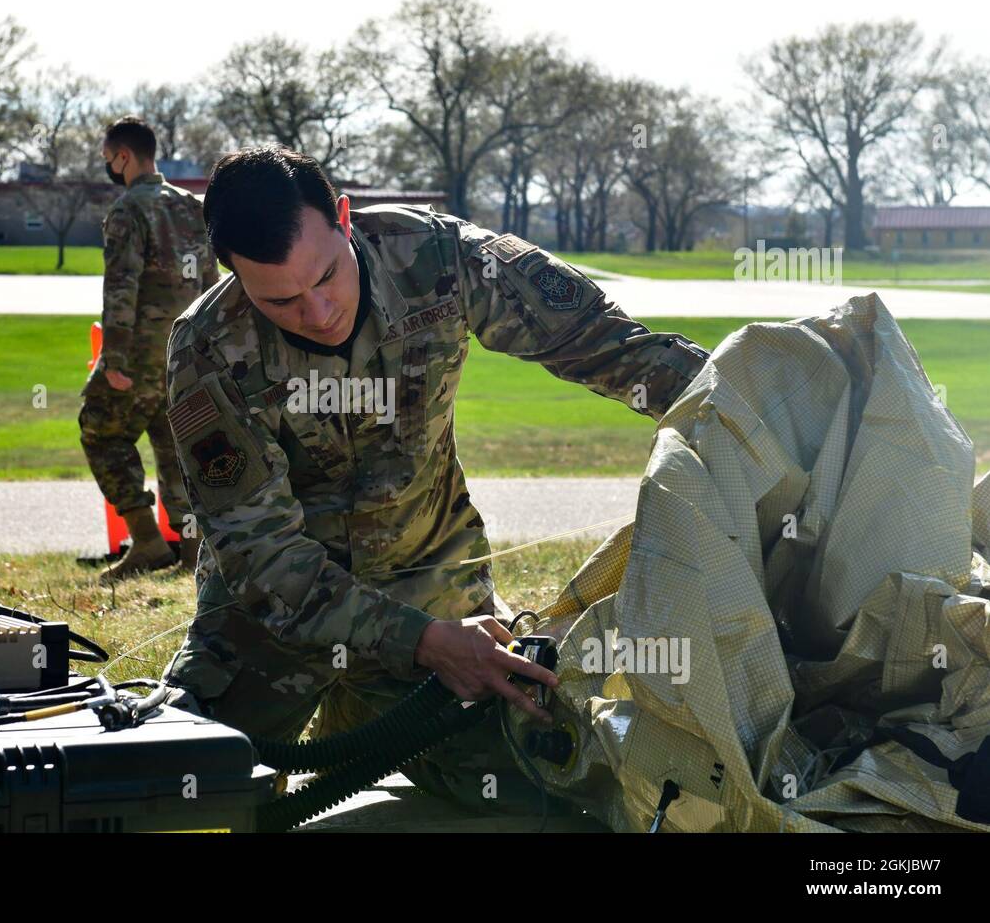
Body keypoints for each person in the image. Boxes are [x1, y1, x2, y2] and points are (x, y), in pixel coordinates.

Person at [160, 146, 709, 809]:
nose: (318, 311)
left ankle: (361, 730)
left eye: (327, 277)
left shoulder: (441, 258)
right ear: (234, 277)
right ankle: (342, 731)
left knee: (553, 794)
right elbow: (263, 558)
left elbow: (605, 342)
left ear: (343, 216)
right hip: (271, 632)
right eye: (281, 300)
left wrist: (753, 406)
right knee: (172, 794)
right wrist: (425, 644)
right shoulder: (206, 351)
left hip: (436, 598)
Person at [80, 116, 218, 584]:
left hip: (138, 354)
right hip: (182, 353)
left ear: (123, 156)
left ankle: (147, 541)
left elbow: (122, 289)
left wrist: (113, 361)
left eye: (108, 159)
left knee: (100, 431)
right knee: (174, 444)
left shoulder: (127, 211)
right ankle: (192, 547)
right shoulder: (192, 208)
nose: (109, 168)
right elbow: (209, 286)